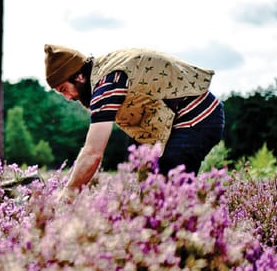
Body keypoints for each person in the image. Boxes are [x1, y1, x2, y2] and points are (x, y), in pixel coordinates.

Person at [44, 44, 224, 194]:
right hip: (171, 124)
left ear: (79, 76)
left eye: (64, 89)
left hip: (197, 117)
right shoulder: (101, 71)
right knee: (150, 194)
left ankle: (199, 231)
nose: (67, 97)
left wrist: (67, 195)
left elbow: (93, 153)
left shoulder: (107, 84)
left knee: (169, 192)